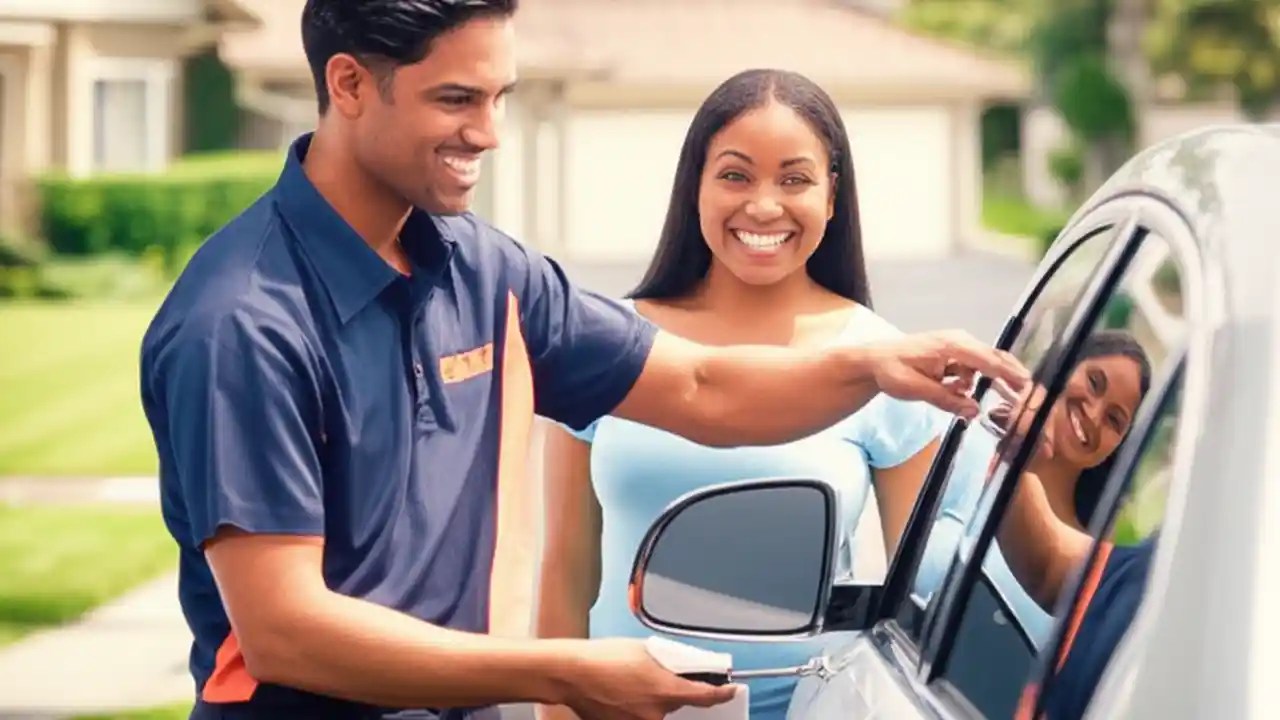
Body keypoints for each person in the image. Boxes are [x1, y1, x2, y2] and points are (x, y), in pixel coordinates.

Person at [137, 2, 1027, 719]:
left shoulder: (484, 271)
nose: (489, 132)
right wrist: (561, 671)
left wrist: (872, 367)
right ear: (349, 84)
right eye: (457, 99)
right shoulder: (242, 322)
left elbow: (702, 385)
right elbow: (286, 631)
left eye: (500, 97)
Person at [534, 68, 949, 720]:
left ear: (832, 196)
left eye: (794, 179)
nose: (763, 206)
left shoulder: (882, 364)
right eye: (735, 175)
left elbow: (913, 607)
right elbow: (565, 574)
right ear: (694, 187)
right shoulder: (607, 343)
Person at [912, 331, 1152, 647]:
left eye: (1114, 419)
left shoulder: (1089, 569)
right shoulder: (964, 447)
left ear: (1120, 446)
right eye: (1094, 383)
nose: (1094, 415)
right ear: (1063, 366)